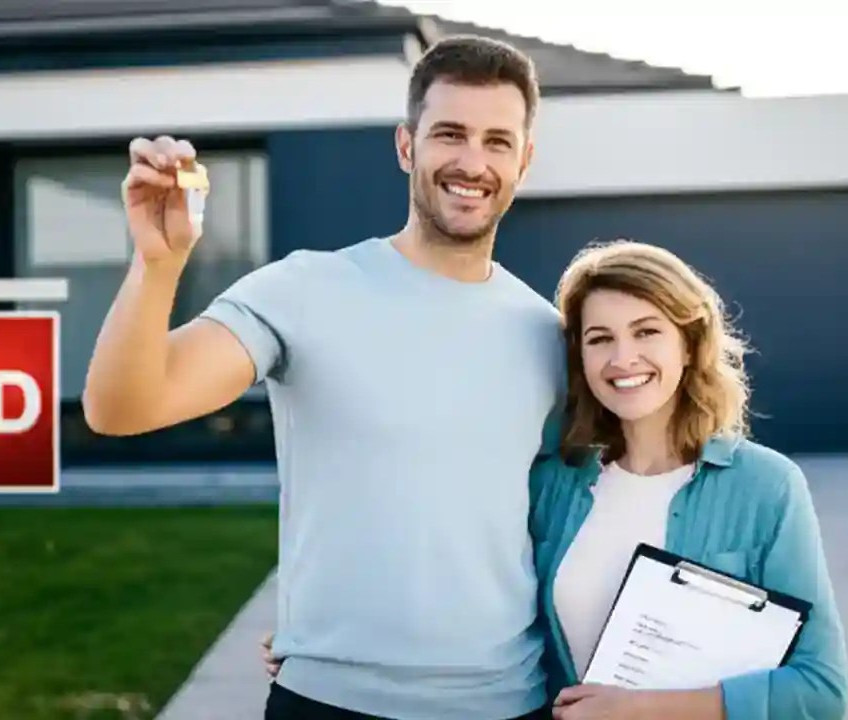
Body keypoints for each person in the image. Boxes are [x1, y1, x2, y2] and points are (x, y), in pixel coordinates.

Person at [83, 35, 564, 720]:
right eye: (449, 134)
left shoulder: (547, 334)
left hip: (507, 704)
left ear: (524, 159)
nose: (471, 162)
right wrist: (157, 265)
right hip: (329, 704)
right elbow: (121, 407)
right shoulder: (307, 289)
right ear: (407, 147)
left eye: (496, 141)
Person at [530, 240, 848, 719]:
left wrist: (641, 710)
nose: (623, 358)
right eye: (600, 339)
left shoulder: (768, 486)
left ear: (690, 342)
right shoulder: (553, 484)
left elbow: (820, 690)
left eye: (646, 332)